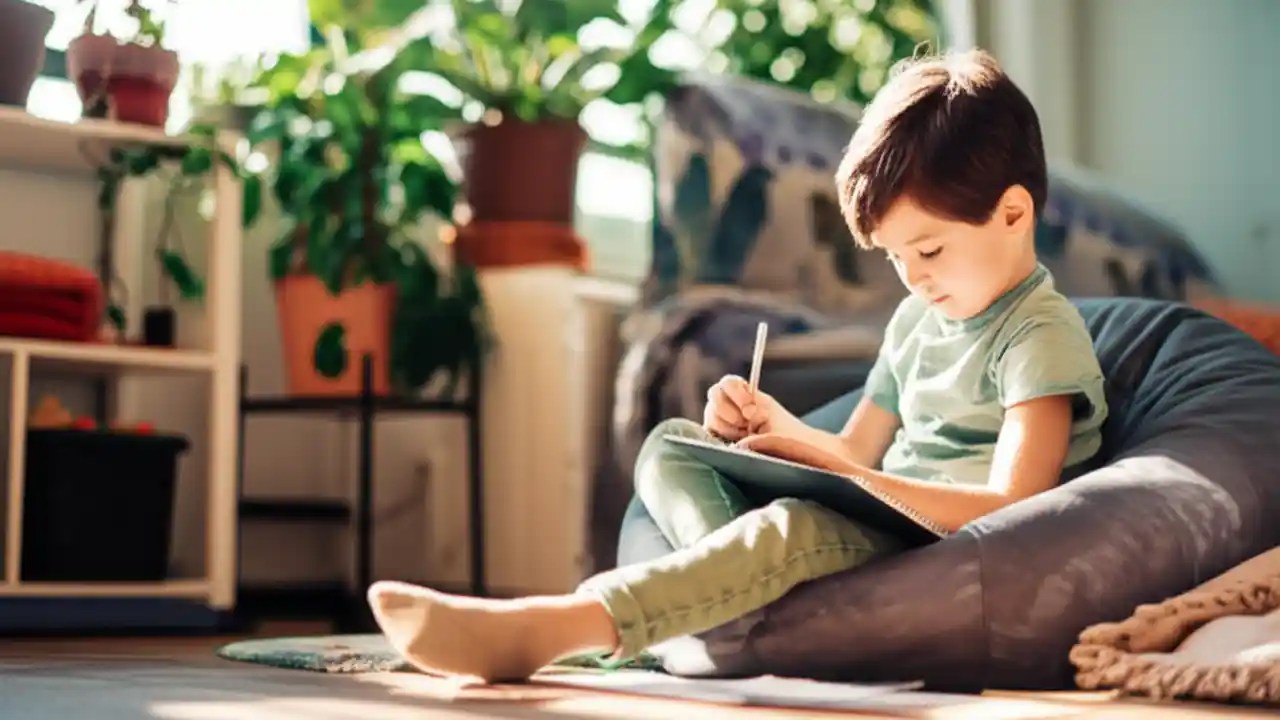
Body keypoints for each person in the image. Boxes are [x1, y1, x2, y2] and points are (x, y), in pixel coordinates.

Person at [365, 48, 1108, 683]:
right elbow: (852, 451)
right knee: (672, 445)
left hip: (932, 549)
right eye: (894, 257)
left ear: (1013, 215)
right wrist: (773, 430)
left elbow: (1013, 508)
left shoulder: (1038, 335)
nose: (912, 277)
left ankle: (562, 625)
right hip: (871, 513)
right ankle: (730, 597)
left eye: (930, 250)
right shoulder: (918, 319)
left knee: (790, 527)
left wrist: (850, 484)